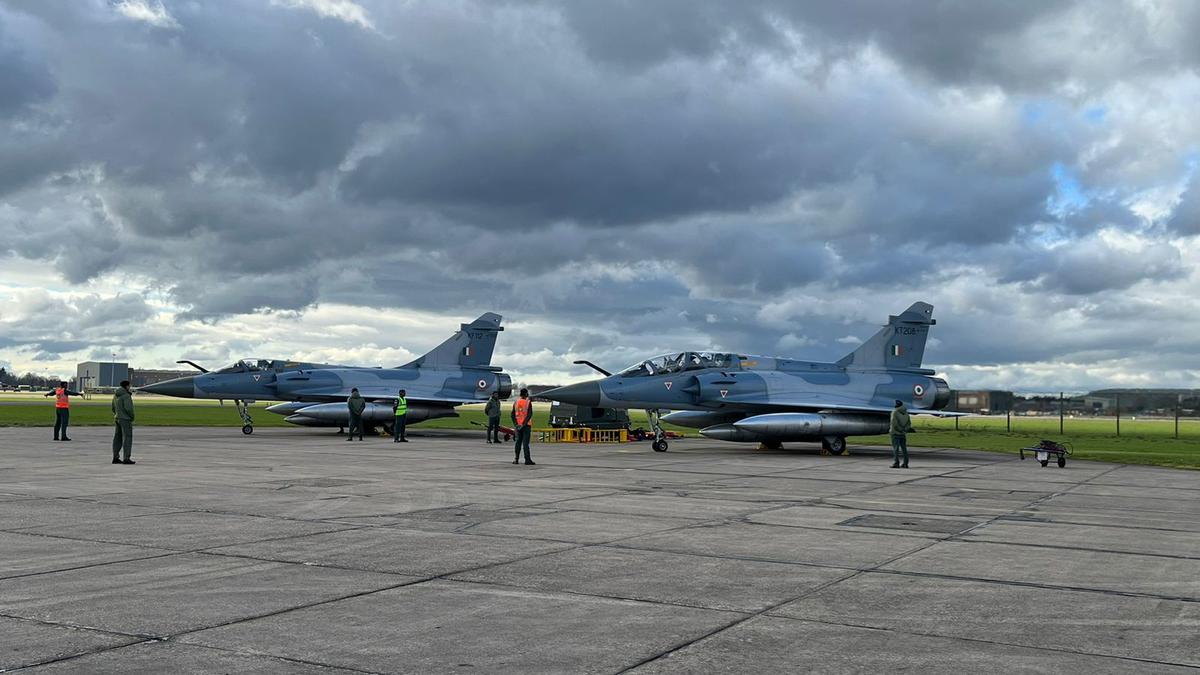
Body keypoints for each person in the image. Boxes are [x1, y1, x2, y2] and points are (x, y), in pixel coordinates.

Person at [111, 380, 135, 465]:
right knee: (127, 437)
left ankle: (115, 457)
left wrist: (117, 414)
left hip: (117, 418)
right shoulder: (126, 395)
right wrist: (132, 417)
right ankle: (126, 458)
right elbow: (129, 409)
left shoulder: (116, 395)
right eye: (129, 386)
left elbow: (113, 407)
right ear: (127, 386)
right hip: (125, 419)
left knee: (117, 438)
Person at [510, 388, 535, 465]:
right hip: (526, 426)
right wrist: (523, 424)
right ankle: (527, 460)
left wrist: (516, 425)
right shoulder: (528, 402)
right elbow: (529, 415)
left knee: (518, 442)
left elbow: (512, 415)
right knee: (525, 444)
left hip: (518, 426)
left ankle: (516, 459)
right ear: (526, 394)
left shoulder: (516, 402)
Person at [890, 399, 914, 468]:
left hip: (895, 433)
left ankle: (896, 463)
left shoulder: (894, 412)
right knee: (904, 449)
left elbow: (894, 424)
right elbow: (908, 423)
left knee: (896, 449)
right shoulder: (906, 413)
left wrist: (899, 430)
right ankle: (906, 463)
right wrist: (904, 430)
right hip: (903, 434)